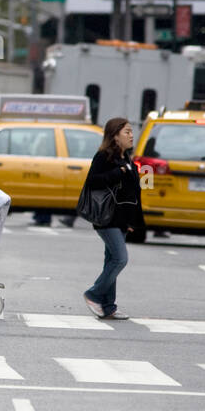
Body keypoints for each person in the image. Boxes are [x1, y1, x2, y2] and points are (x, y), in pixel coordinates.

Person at [81, 118, 144, 320]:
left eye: (131, 131)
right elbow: (92, 181)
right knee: (120, 258)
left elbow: (136, 193)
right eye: (126, 132)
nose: (131, 135)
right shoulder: (104, 157)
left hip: (122, 219)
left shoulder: (128, 159)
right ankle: (94, 293)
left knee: (111, 260)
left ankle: (108, 307)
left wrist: (136, 221)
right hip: (106, 216)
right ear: (115, 136)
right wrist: (118, 172)